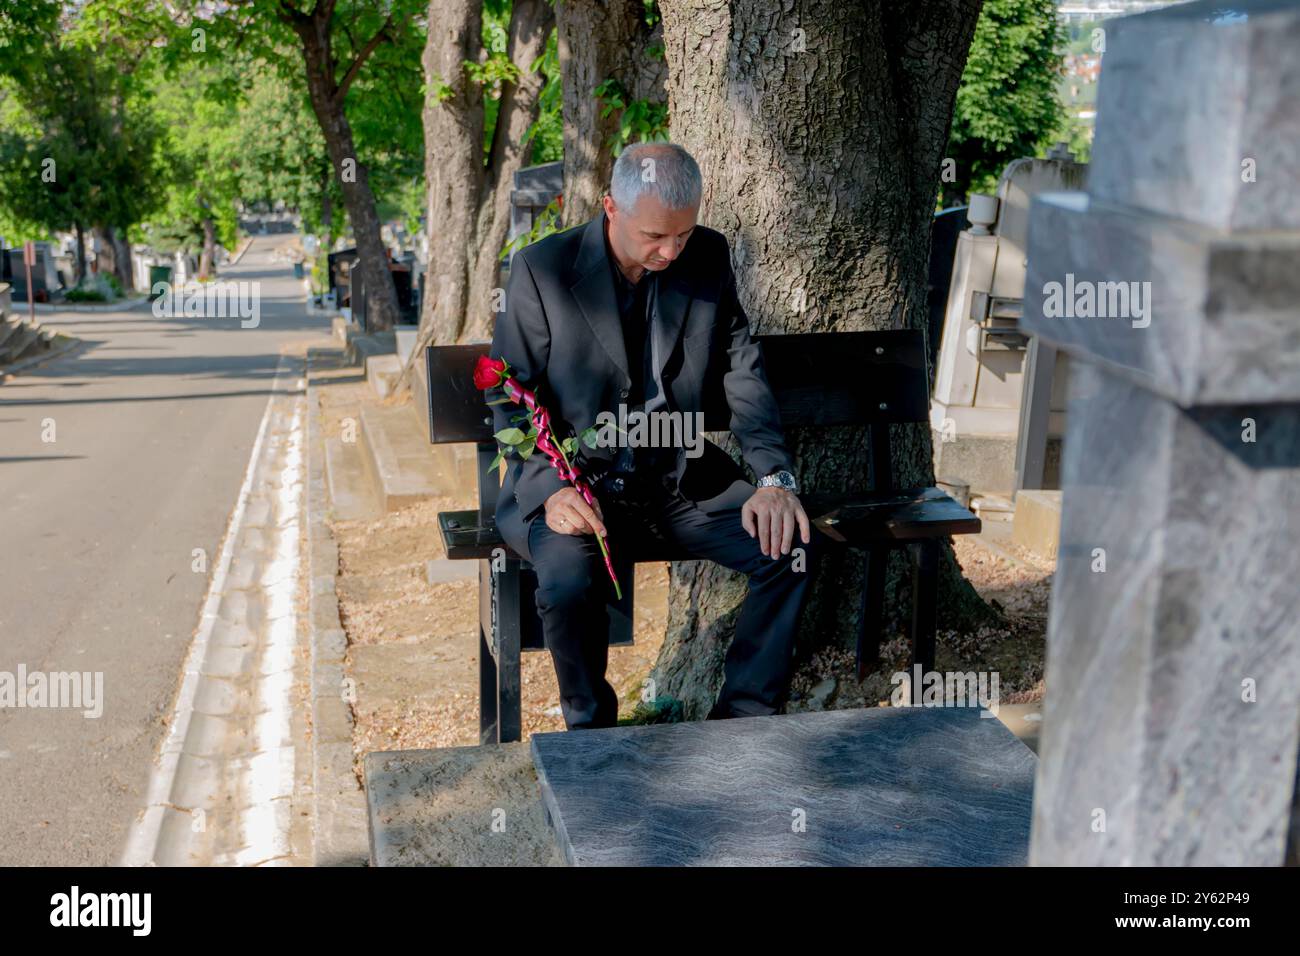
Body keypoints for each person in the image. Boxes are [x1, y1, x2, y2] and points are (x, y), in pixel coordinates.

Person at [488, 142, 820, 730]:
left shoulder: (710, 256)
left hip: (678, 478)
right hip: (577, 484)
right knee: (566, 584)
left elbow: (742, 370)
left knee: (789, 547)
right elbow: (509, 395)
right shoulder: (544, 270)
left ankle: (741, 721)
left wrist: (772, 476)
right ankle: (592, 736)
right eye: (654, 237)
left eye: (682, 236)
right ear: (611, 208)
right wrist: (549, 488)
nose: (670, 252)